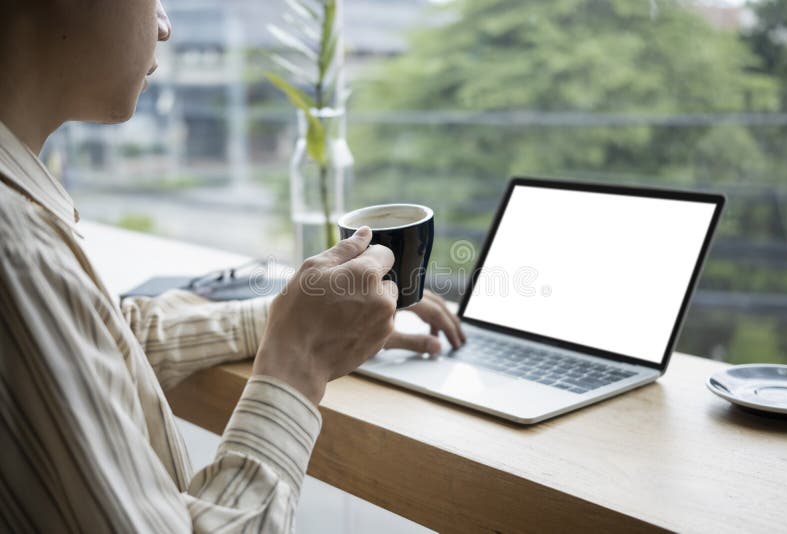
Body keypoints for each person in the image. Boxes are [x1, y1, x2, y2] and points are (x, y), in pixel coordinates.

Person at [0, 1, 466, 532]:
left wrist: (301, 318)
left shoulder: (26, 230)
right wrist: (299, 361)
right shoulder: (19, 251)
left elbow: (102, 340)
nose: (164, 25)